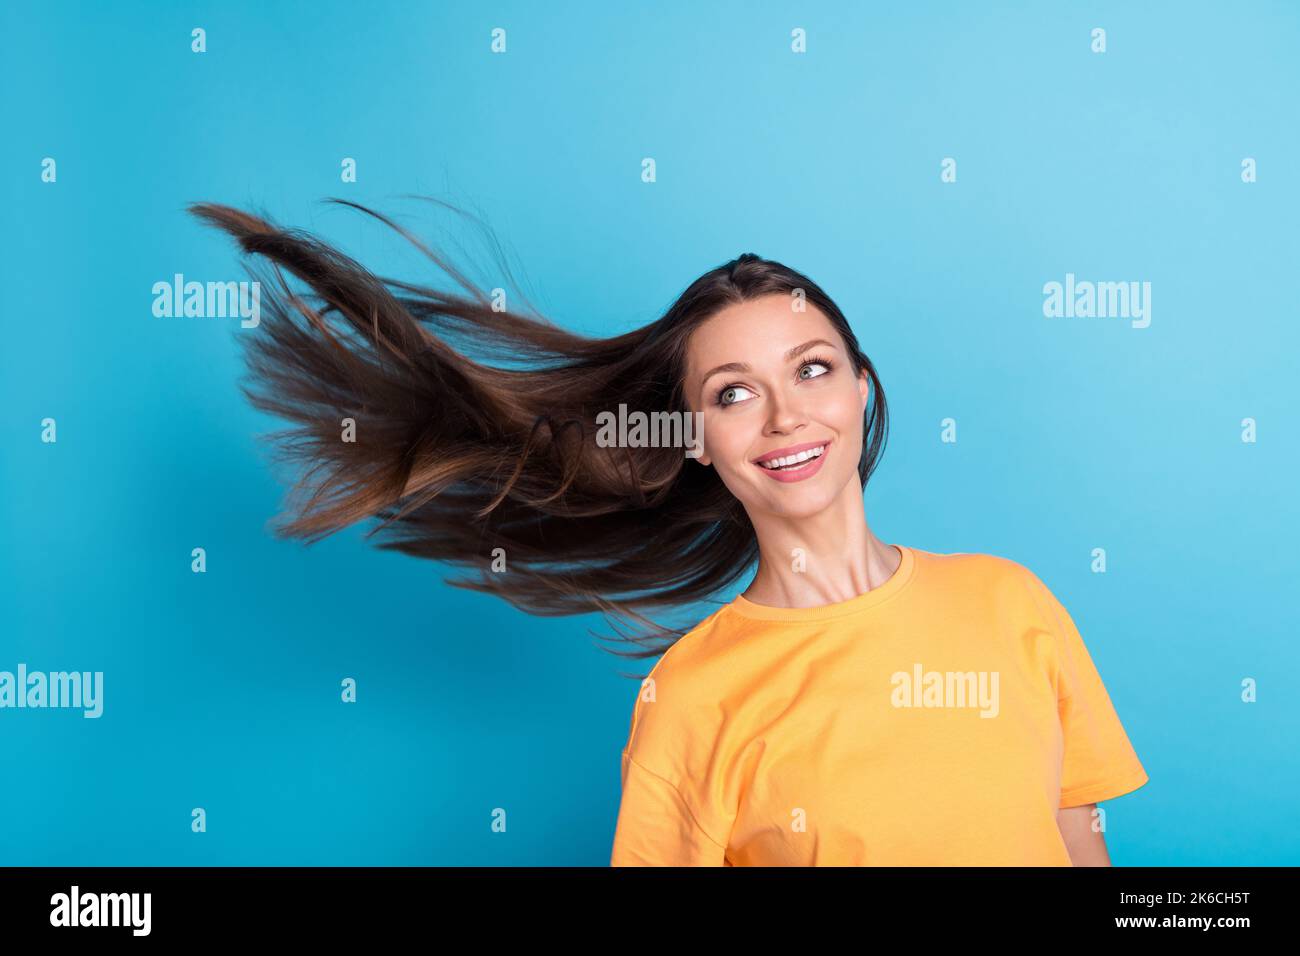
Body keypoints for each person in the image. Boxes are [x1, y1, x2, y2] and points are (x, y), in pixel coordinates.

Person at [191, 198, 1149, 867]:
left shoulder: (1009, 603)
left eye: (812, 370)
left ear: (861, 388)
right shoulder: (691, 698)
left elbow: (1078, 841)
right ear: (694, 439)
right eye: (734, 394)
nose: (785, 418)